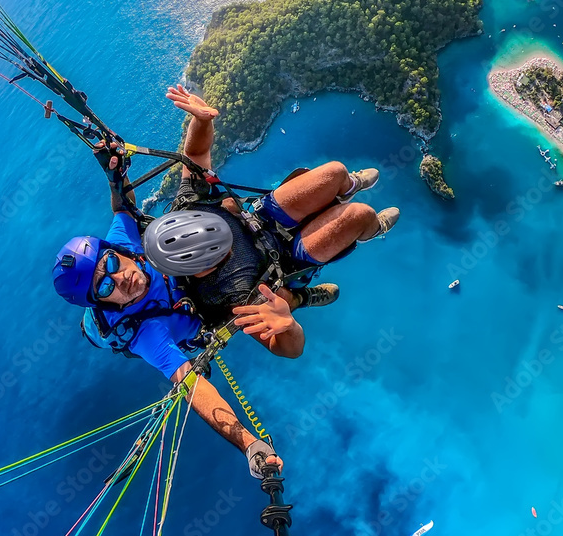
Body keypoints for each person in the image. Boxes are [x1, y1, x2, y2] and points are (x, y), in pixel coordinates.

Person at [52, 143, 281, 479]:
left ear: (113, 252)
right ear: (101, 303)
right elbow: (190, 383)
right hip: (203, 310)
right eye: (104, 287)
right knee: (271, 293)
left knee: (224, 209)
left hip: (183, 280)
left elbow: (123, 211)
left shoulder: (122, 244)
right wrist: (250, 445)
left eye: (111, 263)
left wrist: (114, 177)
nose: (119, 279)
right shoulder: (144, 334)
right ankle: (302, 295)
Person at [142, 85, 400, 359]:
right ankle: (369, 231)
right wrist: (288, 326)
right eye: (222, 254)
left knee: (334, 172)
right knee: (359, 216)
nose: (229, 248)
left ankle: (348, 185)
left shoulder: (188, 206)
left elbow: (194, 155)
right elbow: (290, 350)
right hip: (285, 264)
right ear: (203, 267)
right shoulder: (228, 300)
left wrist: (202, 120)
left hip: (259, 220)